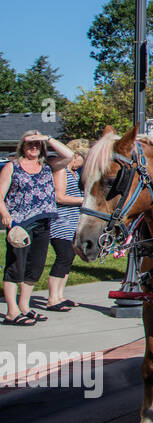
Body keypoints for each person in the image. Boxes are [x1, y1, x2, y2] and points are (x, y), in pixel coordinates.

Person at [1, 131, 74, 326]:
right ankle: (12, 311)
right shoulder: (12, 167)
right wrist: (5, 215)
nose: (34, 147)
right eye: (30, 144)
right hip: (20, 224)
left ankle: (24, 306)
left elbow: (69, 155)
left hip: (43, 222)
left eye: (37, 145)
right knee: (16, 266)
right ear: (22, 146)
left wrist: (47, 138)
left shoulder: (48, 166)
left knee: (35, 267)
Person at [46, 138, 90, 312]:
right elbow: (60, 197)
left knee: (69, 259)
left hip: (73, 222)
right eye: (82, 159)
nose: (82, 163)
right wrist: (83, 200)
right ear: (76, 156)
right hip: (60, 222)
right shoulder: (61, 171)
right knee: (63, 257)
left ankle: (60, 295)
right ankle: (52, 298)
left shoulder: (75, 173)